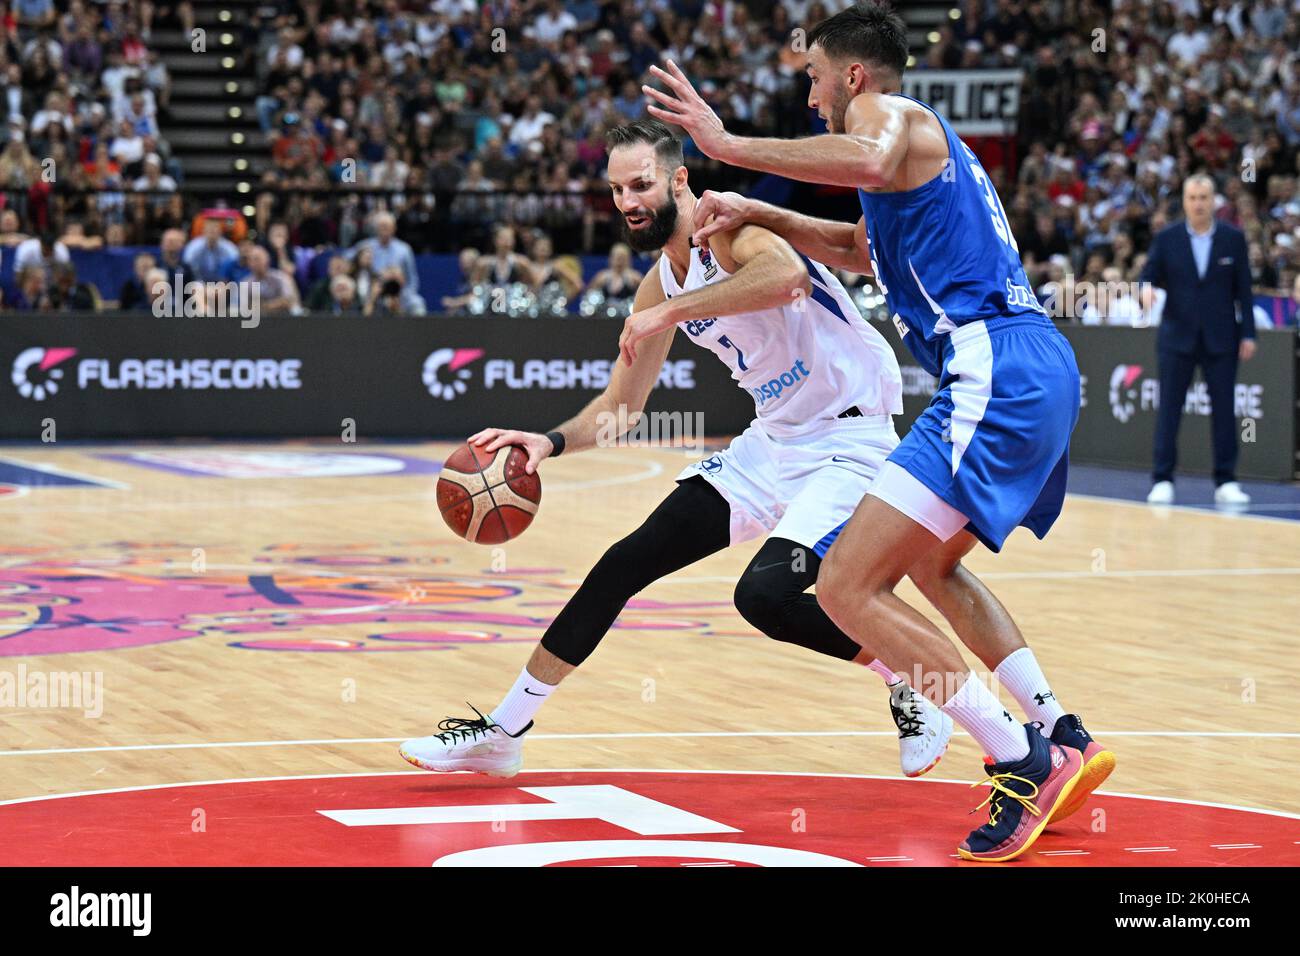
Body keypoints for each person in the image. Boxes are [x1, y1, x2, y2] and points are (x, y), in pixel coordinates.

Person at [643, 1, 1111, 862]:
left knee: (844, 588)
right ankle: (1058, 727)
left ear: (853, 74)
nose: (812, 96)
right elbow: (863, 248)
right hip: (1026, 367)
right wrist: (765, 210)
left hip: (994, 368)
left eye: (816, 78)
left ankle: (1021, 760)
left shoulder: (890, 121)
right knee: (929, 564)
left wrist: (727, 146)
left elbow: (867, 151)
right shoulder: (902, 174)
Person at [399, 119, 955, 784]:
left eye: (642, 184)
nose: (630, 200)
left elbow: (786, 279)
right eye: (617, 190)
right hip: (773, 442)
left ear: (680, 180)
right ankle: (504, 732)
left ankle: (915, 681)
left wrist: (666, 314)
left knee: (768, 595)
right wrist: (544, 442)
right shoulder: (658, 283)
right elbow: (621, 409)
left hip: (848, 437)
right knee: (623, 562)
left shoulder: (730, 227)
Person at [1140, 173, 1256, 506]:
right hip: (1177, 337)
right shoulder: (1168, 238)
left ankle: (1226, 481)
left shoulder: (1233, 239)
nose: (1199, 204)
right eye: (1192, 198)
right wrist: (1145, 289)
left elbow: (1243, 291)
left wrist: (1248, 332)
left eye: (1204, 197)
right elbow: (1148, 274)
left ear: (1214, 201)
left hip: (1222, 339)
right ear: (1185, 201)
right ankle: (1162, 479)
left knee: (1223, 410)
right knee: (1169, 411)